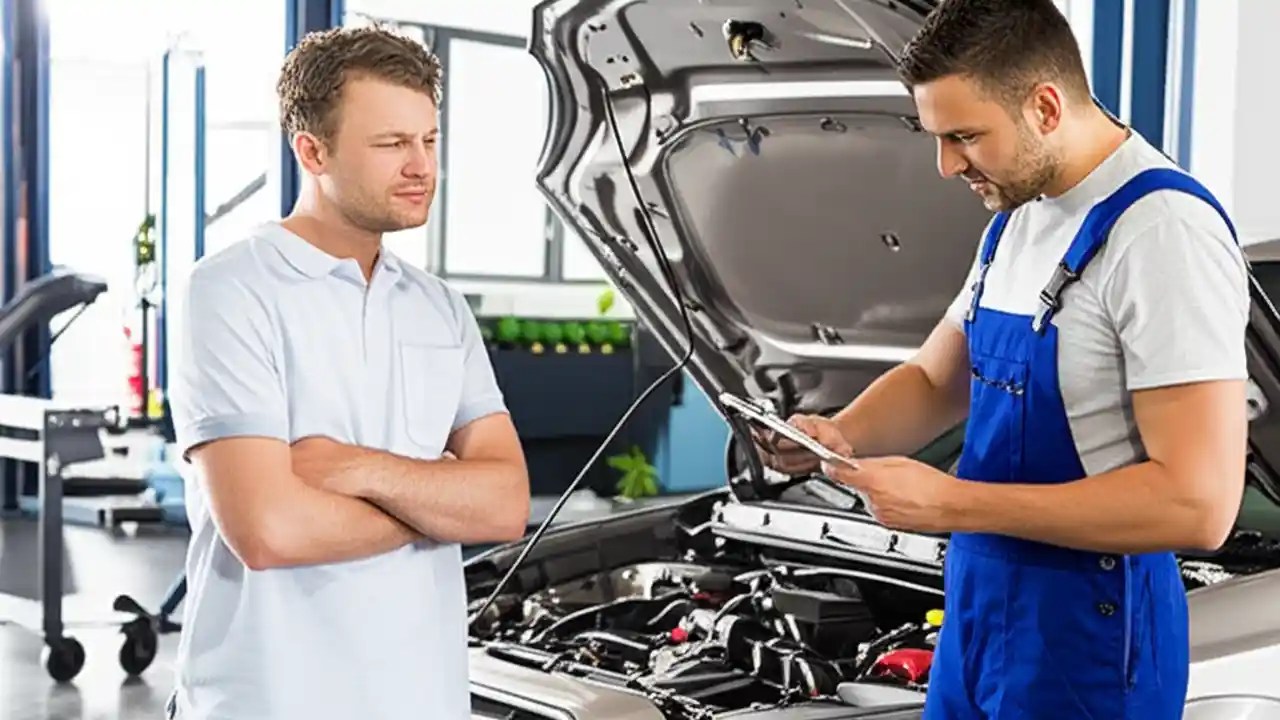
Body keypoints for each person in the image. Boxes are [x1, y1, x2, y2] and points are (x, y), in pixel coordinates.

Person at [756, 1, 1248, 717]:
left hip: (1092, 644)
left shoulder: (1162, 235)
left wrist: (952, 502)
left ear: (1046, 106)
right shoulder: (1021, 217)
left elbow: (1198, 504)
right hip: (982, 623)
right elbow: (935, 378)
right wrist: (841, 433)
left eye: (964, 137)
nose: (946, 165)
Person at [167, 26, 530, 719]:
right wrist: (439, 508)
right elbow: (270, 531)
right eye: (391, 144)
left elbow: (505, 505)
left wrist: (359, 469)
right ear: (313, 151)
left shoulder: (439, 308)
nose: (420, 165)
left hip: (424, 701)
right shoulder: (231, 290)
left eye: (428, 140)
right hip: (268, 703)